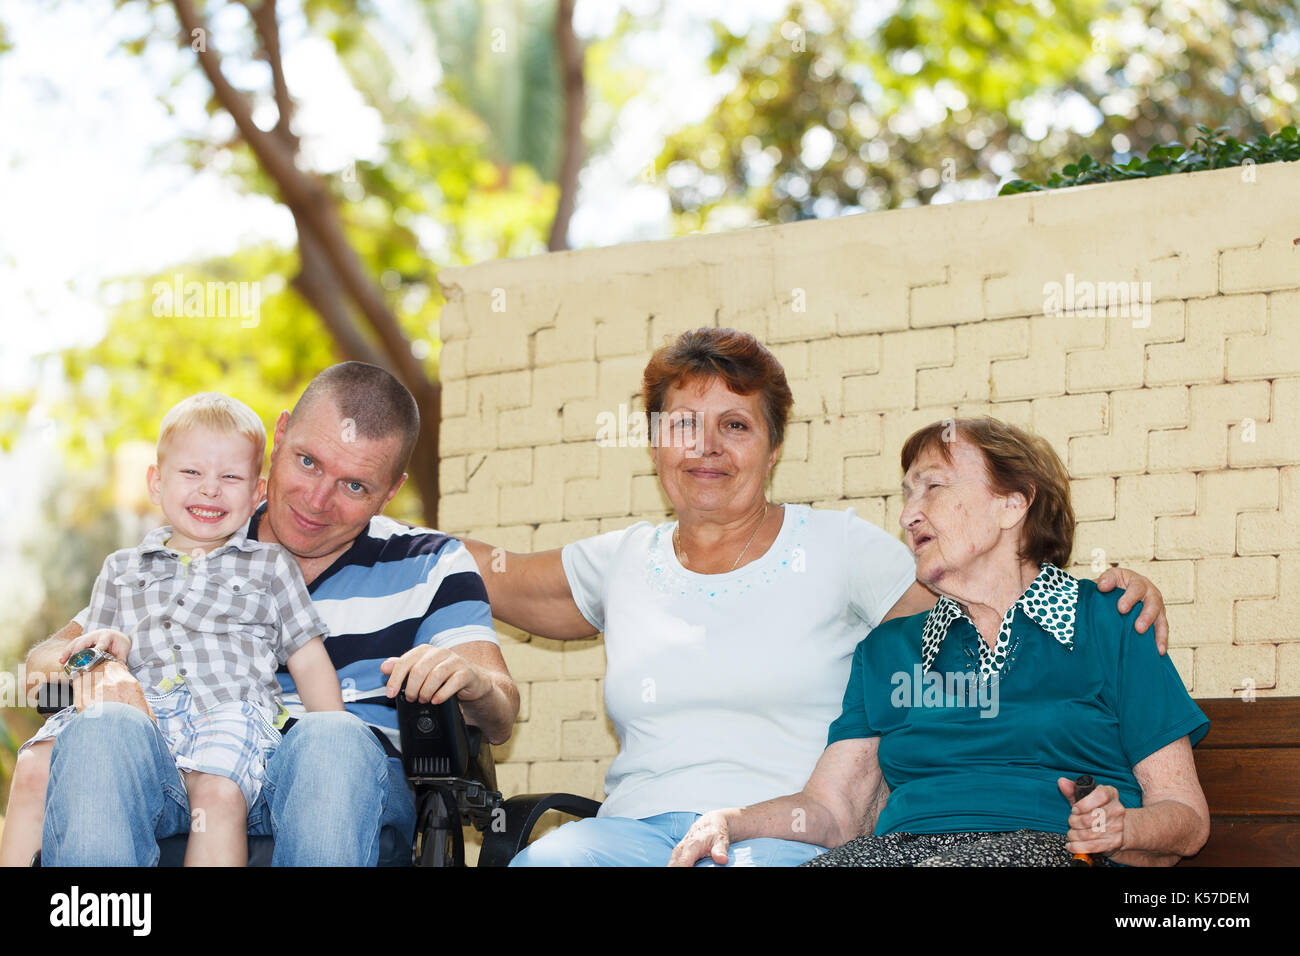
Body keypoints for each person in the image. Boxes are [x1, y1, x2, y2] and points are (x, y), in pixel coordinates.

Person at [460, 328, 1172, 867]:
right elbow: (487, 573)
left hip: (782, 837)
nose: (707, 447)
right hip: (632, 835)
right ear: (654, 444)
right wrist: (372, 524)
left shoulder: (839, 548)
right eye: (683, 425)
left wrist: (1087, 596)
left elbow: (980, 608)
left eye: (735, 425)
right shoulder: (619, 560)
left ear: (772, 451)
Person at [20, 362, 519, 866]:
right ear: (280, 437)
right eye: (307, 461)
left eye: (354, 487)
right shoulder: (205, 533)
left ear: (390, 490)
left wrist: (471, 679)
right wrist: (99, 669)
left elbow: (500, 712)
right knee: (104, 727)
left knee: (330, 736)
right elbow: (44, 664)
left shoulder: (431, 563)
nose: (317, 500)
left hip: (336, 785)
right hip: (178, 771)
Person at [668, 418, 1210, 867]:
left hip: (1044, 850)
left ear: (1013, 505)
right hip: (895, 855)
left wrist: (1121, 827)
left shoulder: (1111, 623)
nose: (908, 514)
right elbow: (833, 811)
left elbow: (1186, 818)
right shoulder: (887, 651)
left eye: (933, 486)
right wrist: (731, 820)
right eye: (906, 494)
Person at [1, 392, 344, 867]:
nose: (209, 489)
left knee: (219, 797)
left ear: (256, 493)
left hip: (228, 713)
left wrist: (332, 736)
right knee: (37, 763)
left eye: (230, 477)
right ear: (156, 483)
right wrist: (107, 648)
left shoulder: (270, 567)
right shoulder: (121, 569)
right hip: (137, 718)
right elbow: (93, 653)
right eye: (191, 473)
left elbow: (307, 658)